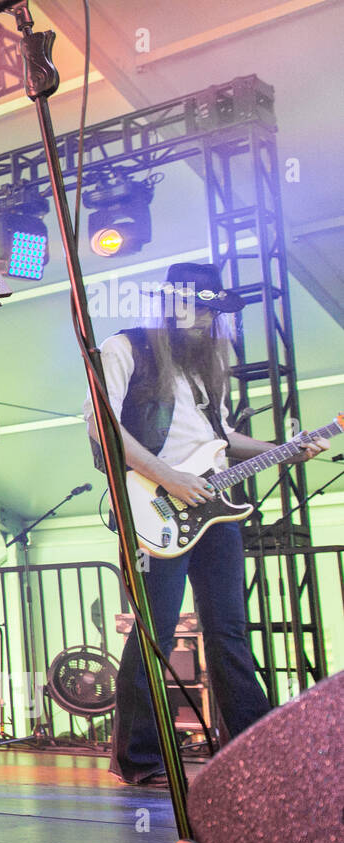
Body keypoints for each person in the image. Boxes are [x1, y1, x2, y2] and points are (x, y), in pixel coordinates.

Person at [86, 262, 328, 786]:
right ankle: (140, 758)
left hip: (214, 506)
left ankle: (257, 747)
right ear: (171, 305)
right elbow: (101, 426)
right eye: (199, 308)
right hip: (154, 504)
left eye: (213, 311)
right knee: (156, 631)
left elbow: (219, 439)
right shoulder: (125, 347)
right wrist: (167, 477)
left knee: (229, 631)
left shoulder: (205, 368)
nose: (205, 321)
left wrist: (284, 450)